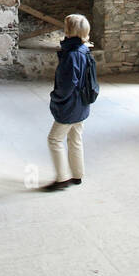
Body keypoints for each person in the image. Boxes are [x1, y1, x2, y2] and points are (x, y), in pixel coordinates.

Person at [43, 14, 98, 191]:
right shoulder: (83, 50)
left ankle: (62, 178)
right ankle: (77, 174)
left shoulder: (72, 54)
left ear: (69, 30)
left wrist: (56, 98)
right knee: (75, 137)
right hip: (82, 103)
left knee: (54, 139)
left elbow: (67, 84)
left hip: (71, 105)